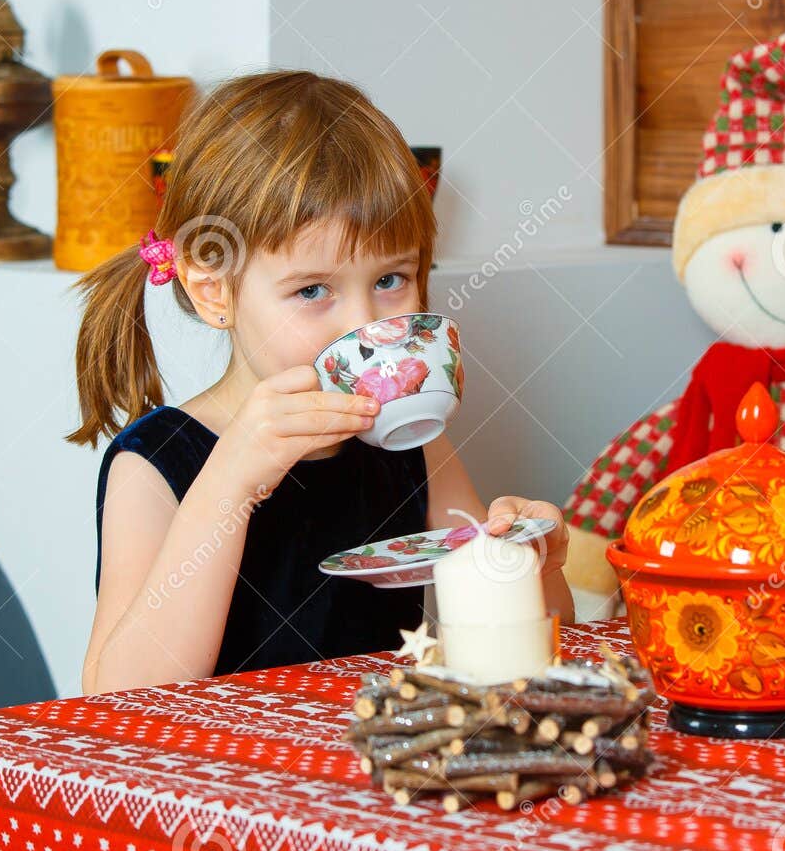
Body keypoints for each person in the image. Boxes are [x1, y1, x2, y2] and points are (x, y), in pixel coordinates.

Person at [68, 70, 570, 694]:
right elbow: (119, 695)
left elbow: (525, 647)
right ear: (214, 291)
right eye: (312, 290)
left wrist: (533, 563)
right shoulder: (158, 461)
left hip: (376, 751)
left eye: (389, 280)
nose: (364, 325)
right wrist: (230, 483)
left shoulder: (411, 442)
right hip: (225, 756)